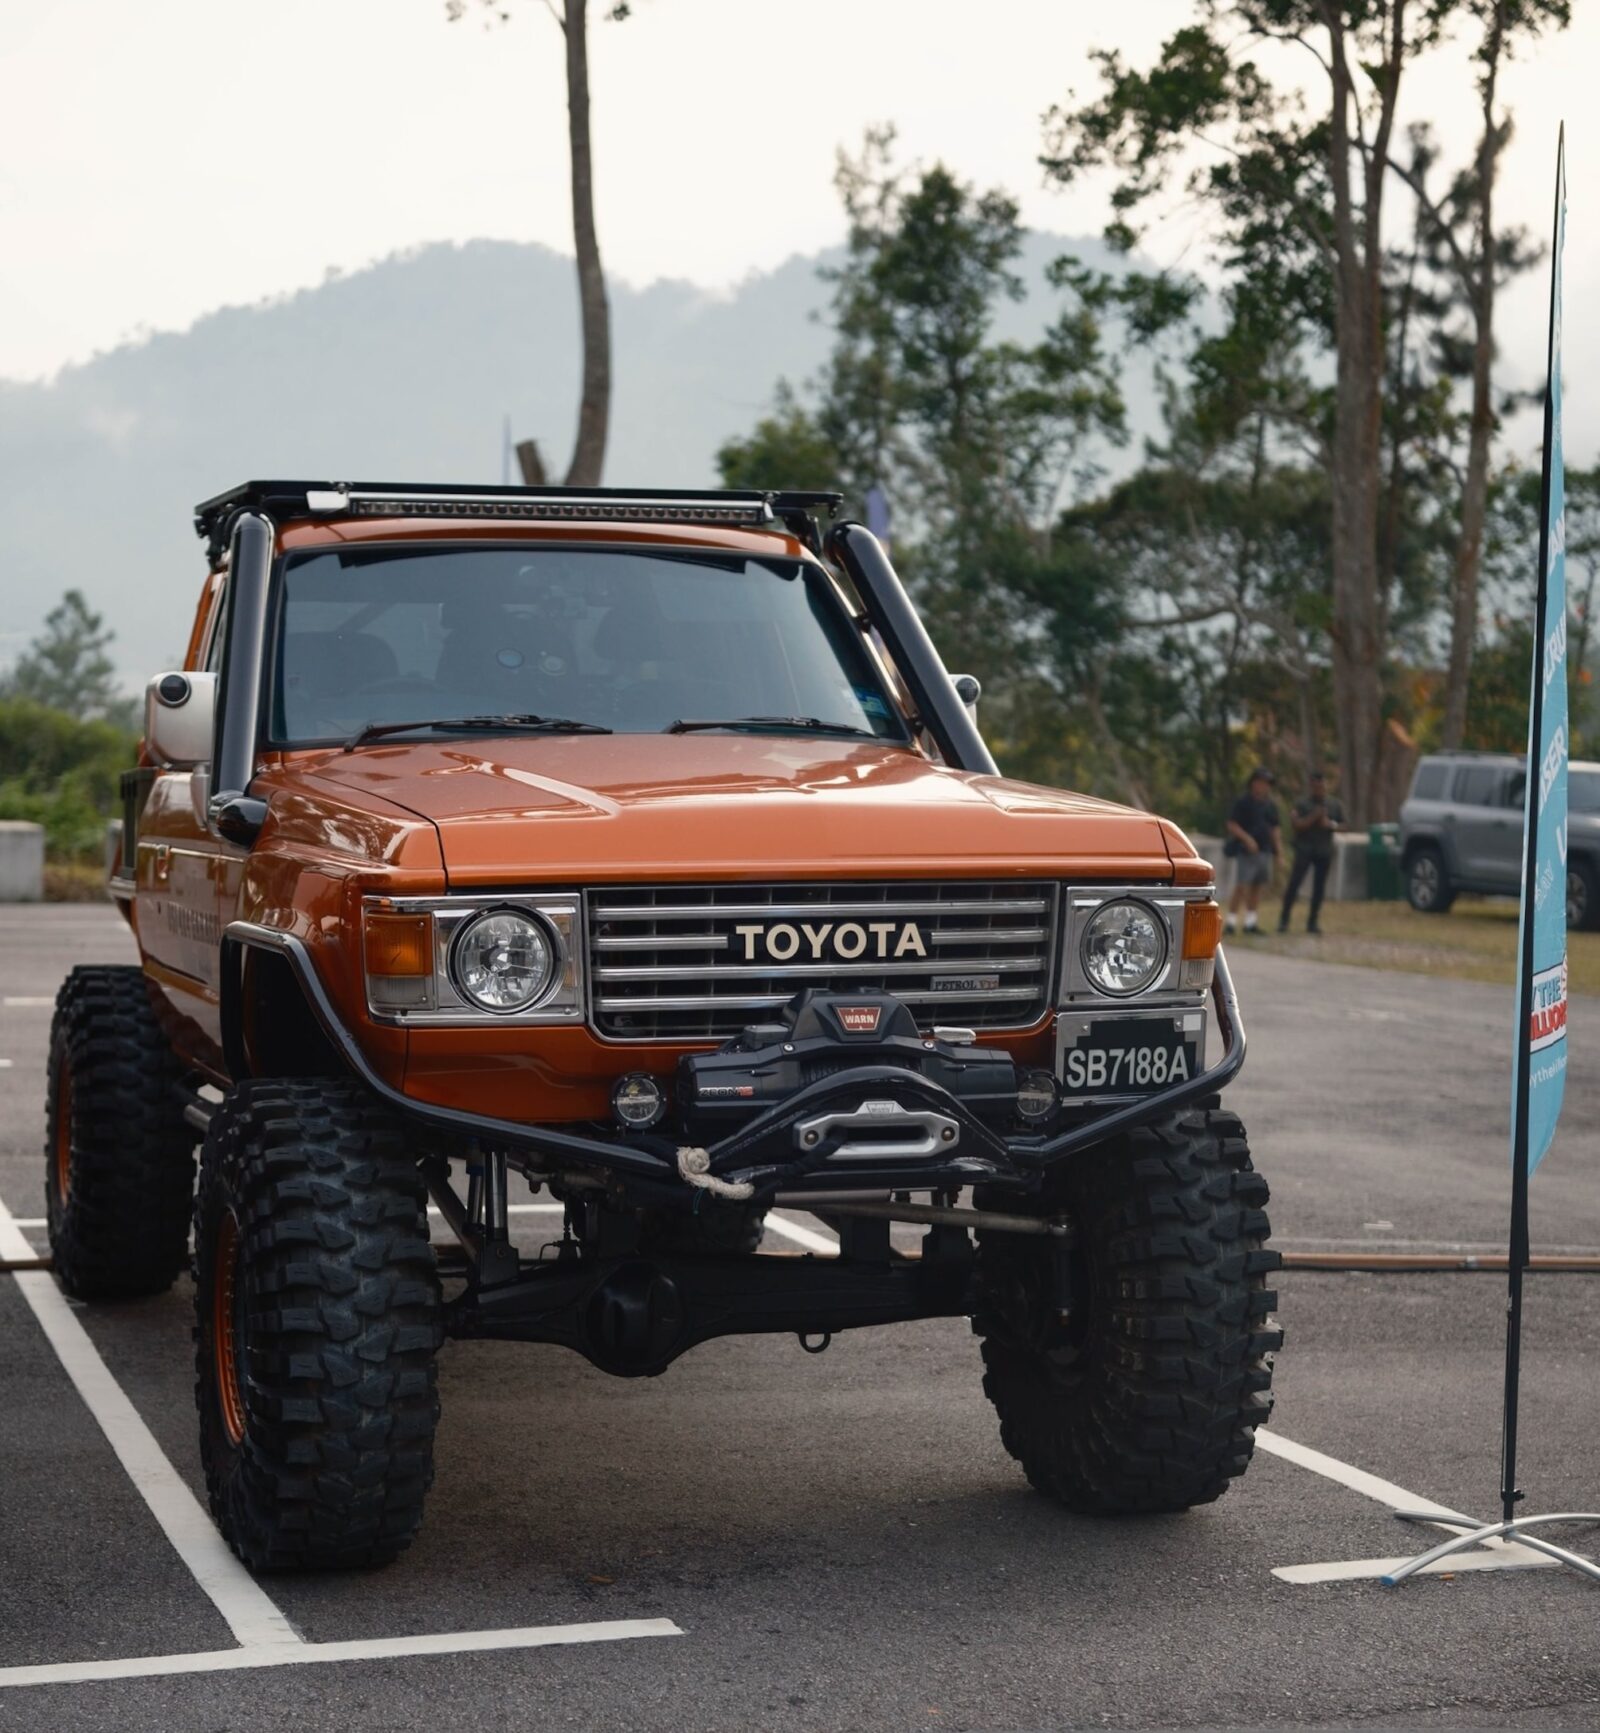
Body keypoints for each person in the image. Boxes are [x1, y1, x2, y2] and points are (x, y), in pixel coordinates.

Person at [1278, 768, 1344, 935]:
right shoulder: (1302, 804)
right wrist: (1313, 817)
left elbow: (1345, 825)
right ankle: (1284, 920)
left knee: (1319, 888)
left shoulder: (1334, 804)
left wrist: (1330, 824)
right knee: (1294, 884)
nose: (1319, 789)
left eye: (1321, 786)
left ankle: (1313, 922)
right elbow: (1296, 824)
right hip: (1304, 849)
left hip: (1324, 850)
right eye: (1315, 786)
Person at [1224, 768, 1281, 934]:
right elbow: (1232, 824)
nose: (1265, 787)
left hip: (1264, 850)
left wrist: (1279, 852)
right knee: (1241, 886)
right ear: (1254, 783)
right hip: (1246, 851)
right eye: (1262, 782)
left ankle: (1251, 922)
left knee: (1257, 886)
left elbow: (1275, 829)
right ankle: (1231, 922)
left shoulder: (1270, 805)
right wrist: (1247, 839)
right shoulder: (1243, 802)